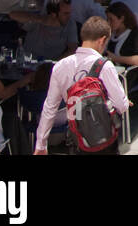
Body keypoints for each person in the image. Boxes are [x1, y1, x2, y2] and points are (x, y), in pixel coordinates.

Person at [34, 16, 129, 155]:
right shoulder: (104, 65)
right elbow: (121, 105)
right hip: (104, 135)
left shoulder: (60, 66)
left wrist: (41, 144)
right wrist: (125, 101)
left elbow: (50, 107)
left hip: (76, 135)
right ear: (102, 40)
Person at [9, 0, 78, 61]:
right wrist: (40, 19)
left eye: (69, 13)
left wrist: (55, 63)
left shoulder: (70, 23)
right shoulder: (39, 18)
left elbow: (72, 49)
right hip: (30, 62)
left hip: (52, 65)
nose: (69, 16)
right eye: (65, 13)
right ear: (53, 14)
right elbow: (12, 14)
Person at [104, 3, 138, 70]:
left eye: (111, 20)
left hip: (128, 74)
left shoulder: (136, 34)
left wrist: (116, 58)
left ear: (122, 19)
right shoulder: (111, 34)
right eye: (107, 19)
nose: (108, 23)